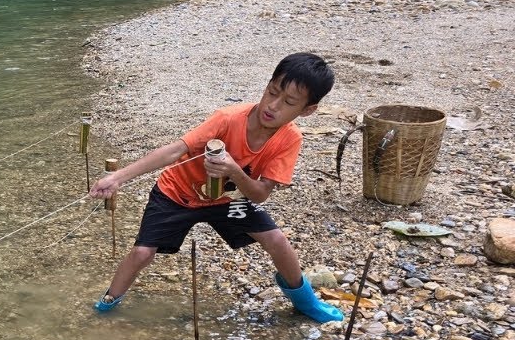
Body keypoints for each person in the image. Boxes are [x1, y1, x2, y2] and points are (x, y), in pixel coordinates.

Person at [88, 52, 344, 324]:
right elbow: (175, 150)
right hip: (177, 194)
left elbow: (260, 194)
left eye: (289, 102)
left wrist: (233, 170)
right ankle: (107, 303)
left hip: (228, 199)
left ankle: (306, 302)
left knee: (277, 240)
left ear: (307, 110)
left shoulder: (289, 139)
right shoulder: (227, 118)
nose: (273, 105)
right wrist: (118, 178)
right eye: (272, 92)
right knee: (142, 253)